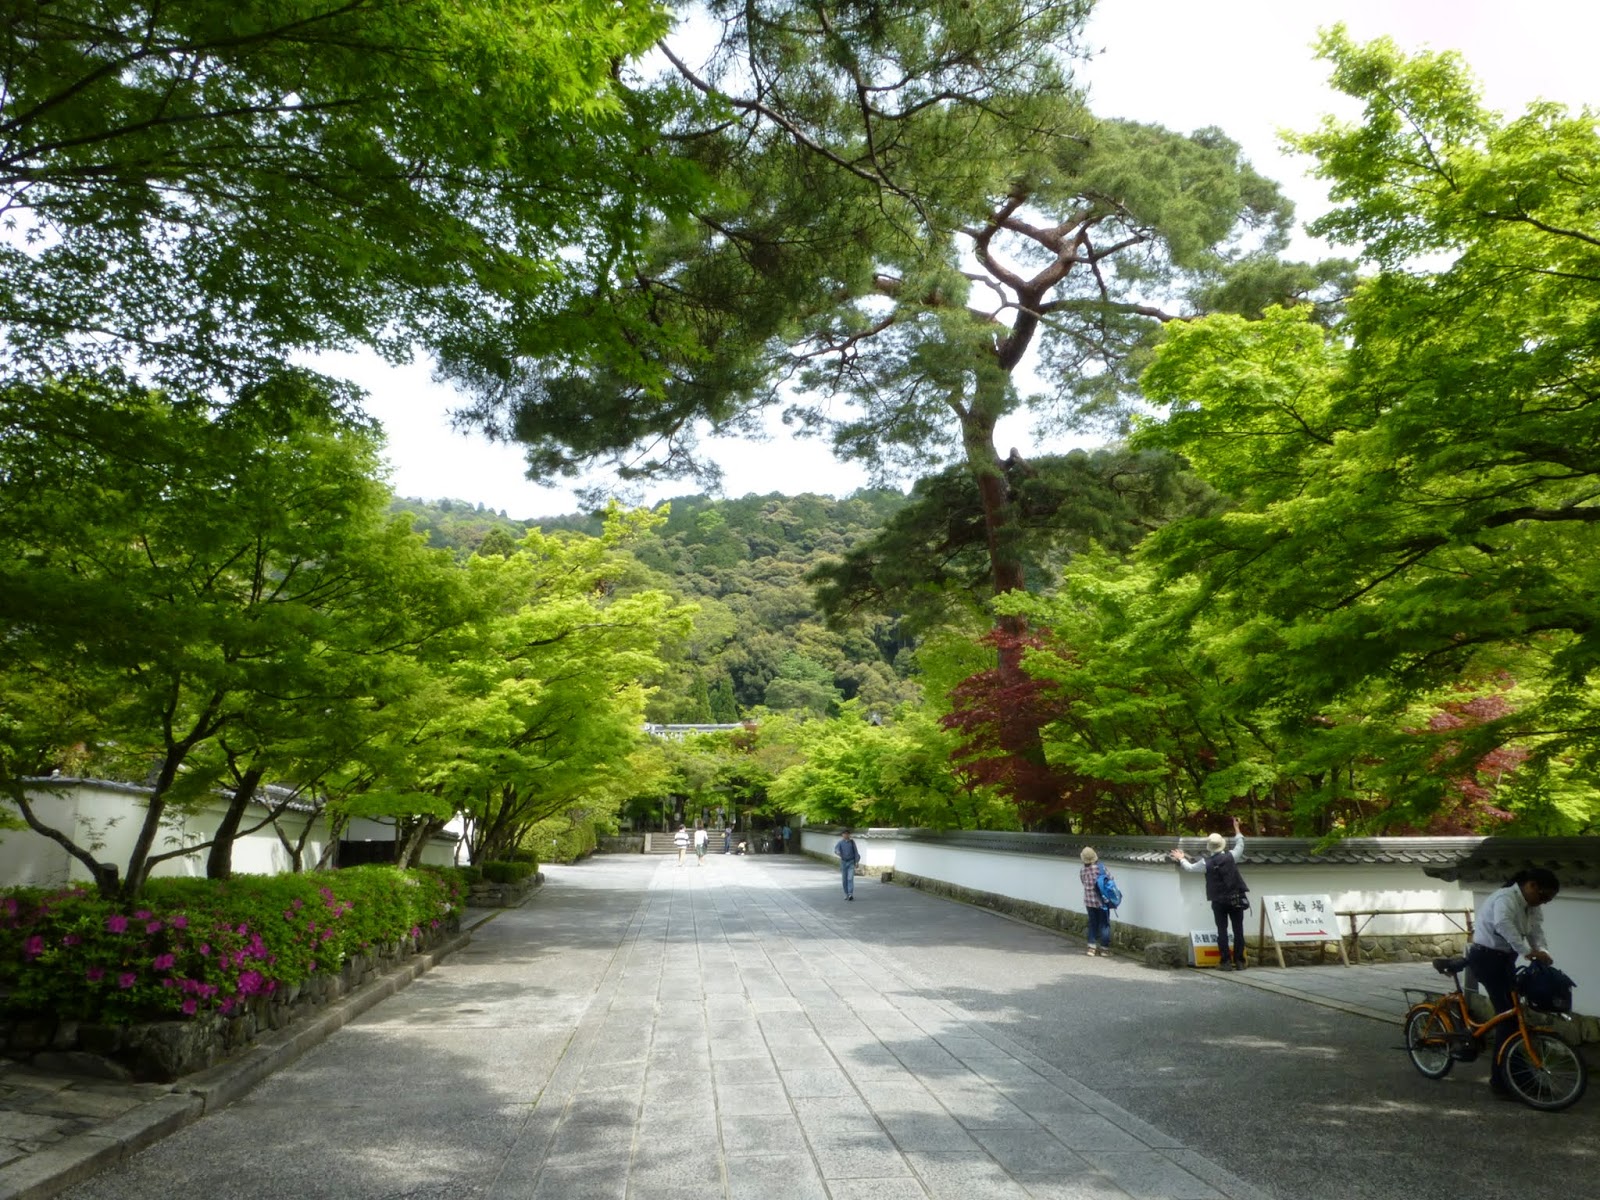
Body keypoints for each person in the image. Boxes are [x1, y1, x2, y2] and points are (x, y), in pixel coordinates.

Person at [1468, 867, 1560, 1098]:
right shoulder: (1505, 898)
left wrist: (1542, 951)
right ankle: (1504, 1081)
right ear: (1530, 886)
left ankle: (1514, 1076)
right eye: (1544, 896)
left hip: (1505, 960)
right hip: (1486, 959)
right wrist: (1529, 952)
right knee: (1509, 1019)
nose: (1544, 902)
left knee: (1513, 1015)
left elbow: (1536, 930)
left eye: (1548, 899)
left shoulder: (1532, 905)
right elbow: (1503, 925)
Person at [1169, 816, 1249, 970]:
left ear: (1210, 847)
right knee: (1238, 930)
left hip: (1218, 901)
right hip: (1236, 898)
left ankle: (1225, 962)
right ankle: (1240, 961)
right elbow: (1240, 843)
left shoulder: (1206, 863)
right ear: (1221, 845)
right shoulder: (1232, 856)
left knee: (1222, 930)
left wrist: (1181, 858)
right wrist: (1237, 828)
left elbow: (1190, 868)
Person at [1079, 847, 1112, 957]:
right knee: (1104, 924)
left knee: (1093, 923)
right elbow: (1111, 879)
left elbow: (1083, 883)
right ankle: (1104, 949)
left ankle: (1091, 948)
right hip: (1102, 901)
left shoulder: (1083, 870)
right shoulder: (1101, 868)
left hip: (1089, 902)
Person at [834, 829, 861, 900]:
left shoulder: (852, 842)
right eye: (844, 834)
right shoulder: (840, 843)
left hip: (851, 862)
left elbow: (856, 852)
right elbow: (836, 849)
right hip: (843, 862)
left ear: (849, 835)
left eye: (847, 834)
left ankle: (850, 894)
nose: (846, 835)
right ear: (842, 835)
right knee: (844, 879)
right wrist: (838, 852)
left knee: (850, 878)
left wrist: (857, 861)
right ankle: (846, 893)